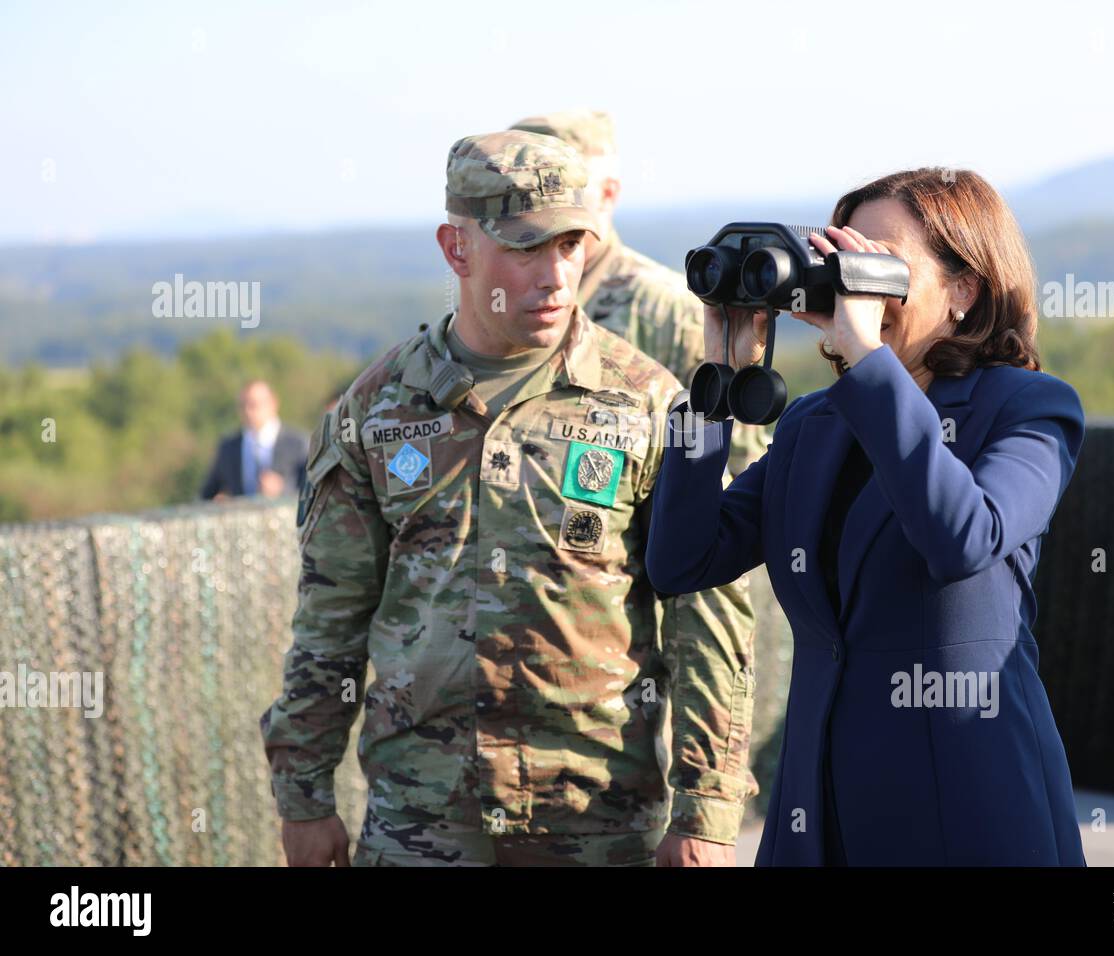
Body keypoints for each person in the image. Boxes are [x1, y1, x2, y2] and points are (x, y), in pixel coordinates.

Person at [259, 130, 756, 867]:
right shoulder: (377, 410)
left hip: (599, 820)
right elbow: (331, 619)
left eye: (570, 246)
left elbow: (705, 617)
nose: (556, 275)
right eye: (526, 248)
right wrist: (303, 794)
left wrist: (707, 809)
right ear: (457, 248)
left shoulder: (649, 405)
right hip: (422, 825)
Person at [646, 168, 1088, 866]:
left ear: (964, 292)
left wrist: (867, 358)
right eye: (843, 258)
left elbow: (961, 538)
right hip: (815, 812)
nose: (857, 285)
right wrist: (713, 387)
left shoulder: (1029, 409)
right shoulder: (814, 427)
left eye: (880, 265)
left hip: (963, 812)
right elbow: (681, 560)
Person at [510, 109, 768, 476]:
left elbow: (737, 467)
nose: (545, 209)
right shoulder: (503, 302)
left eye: (566, 189)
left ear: (608, 193)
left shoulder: (669, 311)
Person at [199, 380, 307, 500]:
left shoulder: (298, 444)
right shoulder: (228, 447)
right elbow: (207, 494)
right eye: (242, 405)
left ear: (273, 403)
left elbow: (312, 492)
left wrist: (283, 490)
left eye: (253, 404)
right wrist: (219, 500)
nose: (247, 411)